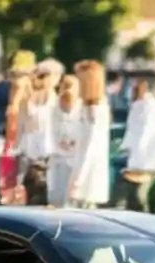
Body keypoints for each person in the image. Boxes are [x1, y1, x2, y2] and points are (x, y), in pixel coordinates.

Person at [114, 78, 155, 212]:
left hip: (142, 162)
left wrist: (130, 153)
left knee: (137, 197)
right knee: (140, 197)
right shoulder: (152, 106)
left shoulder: (143, 106)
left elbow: (140, 133)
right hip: (149, 161)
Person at [67, 60, 110, 209]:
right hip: (85, 174)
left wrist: (78, 179)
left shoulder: (94, 110)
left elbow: (91, 146)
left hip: (87, 177)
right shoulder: (88, 107)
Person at [15, 64, 55, 206]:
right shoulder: (27, 98)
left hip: (45, 151)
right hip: (30, 151)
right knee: (27, 190)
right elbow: (25, 119)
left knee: (44, 191)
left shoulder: (52, 99)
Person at [47, 74, 81, 207]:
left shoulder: (81, 108)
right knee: (56, 197)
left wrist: (73, 142)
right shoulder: (54, 108)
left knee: (70, 200)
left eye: (70, 87)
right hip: (58, 158)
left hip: (73, 159)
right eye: (65, 86)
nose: (67, 91)